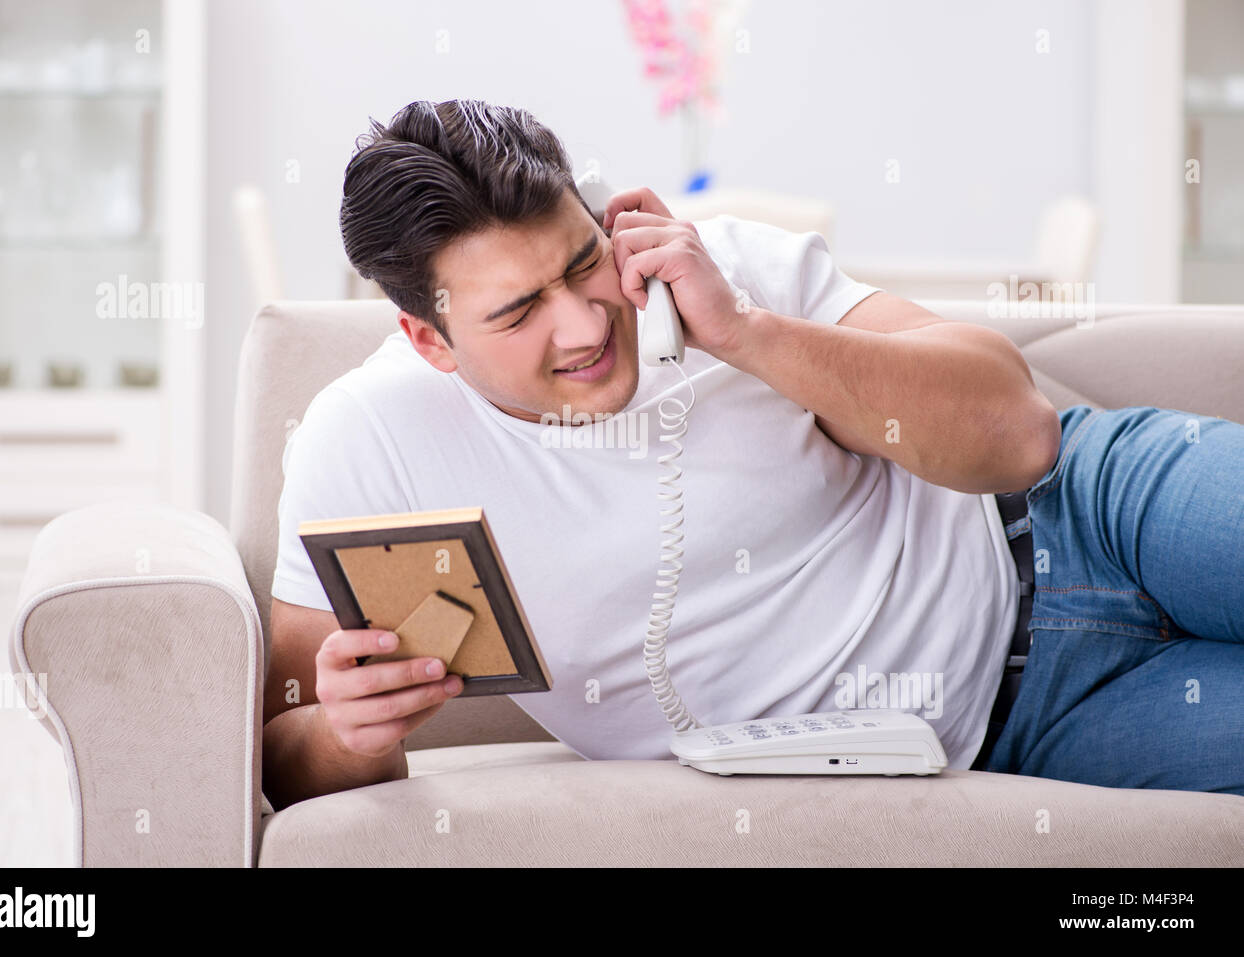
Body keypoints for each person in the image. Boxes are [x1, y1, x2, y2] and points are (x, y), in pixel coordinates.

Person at [261, 98, 1243, 809]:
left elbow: (1020, 435)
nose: (582, 325)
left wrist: (743, 333)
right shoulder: (365, 444)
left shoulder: (718, 269)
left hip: (1096, 507)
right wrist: (349, 733)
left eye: (579, 262)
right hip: (1022, 716)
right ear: (429, 341)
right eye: (517, 311)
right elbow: (277, 741)